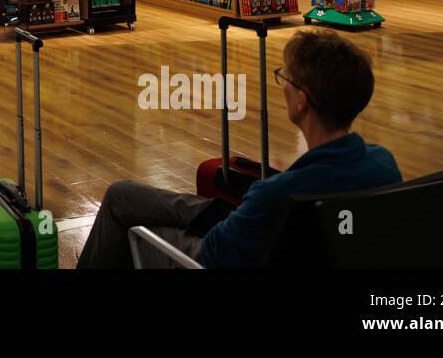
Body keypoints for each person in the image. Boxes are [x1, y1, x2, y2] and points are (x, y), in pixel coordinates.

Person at [76, 28, 402, 268]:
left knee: (134, 224)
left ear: (302, 101)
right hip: (252, 225)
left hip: (222, 249)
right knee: (122, 195)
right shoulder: (383, 164)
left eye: (285, 78)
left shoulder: (279, 193)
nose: (283, 85)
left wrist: (163, 232)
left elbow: (215, 251)